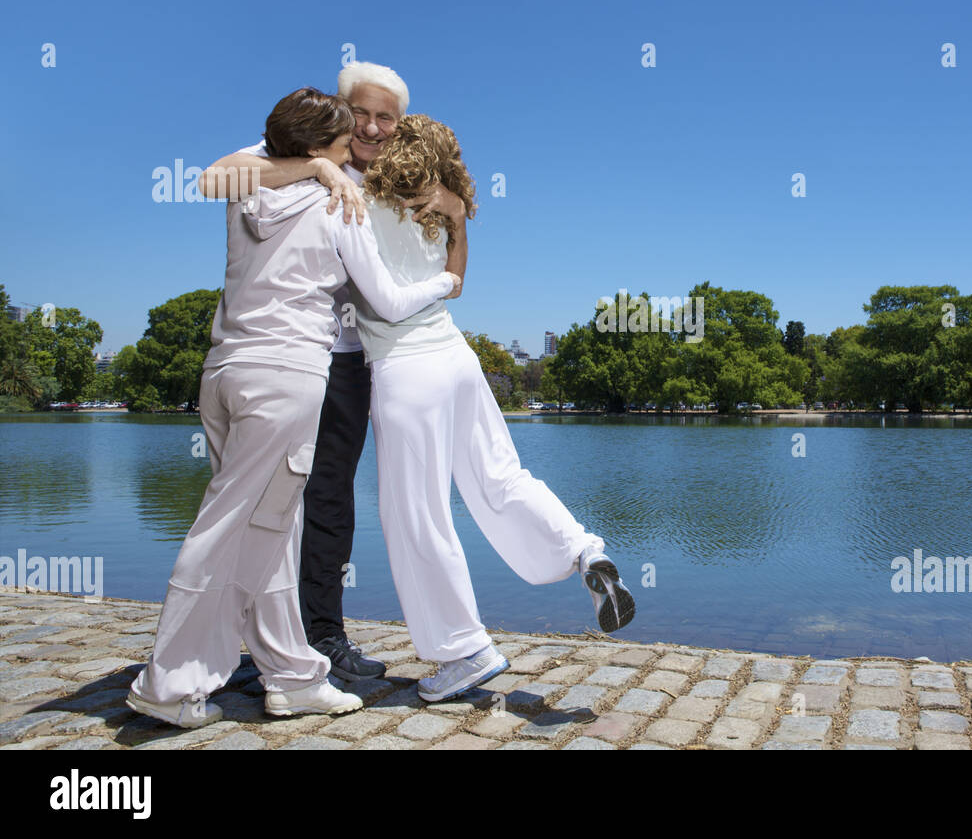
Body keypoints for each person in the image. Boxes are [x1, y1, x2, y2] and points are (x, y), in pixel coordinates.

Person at [128, 89, 461, 727]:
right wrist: (448, 279)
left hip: (225, 372)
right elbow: (388, 301)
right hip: (285, 378)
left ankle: (292, 674)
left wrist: (312, 163)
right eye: (342, 146)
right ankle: (168, 682)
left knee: (270, 532)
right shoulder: (339, 200)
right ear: (316, 150)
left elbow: (217, 173)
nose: (352, 152)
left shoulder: (252, 185)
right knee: (227, 530)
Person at [199, 62, 467, 682]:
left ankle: (321, 634)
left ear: (399, 127)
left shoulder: (403, 181)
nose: (371, 127)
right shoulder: (290, 156)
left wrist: (454, 213)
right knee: (259, 502)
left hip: (348, 362)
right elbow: (215, 179)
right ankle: (256, 637)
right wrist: (318, 167)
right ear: (341, 116)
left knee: (327, 502)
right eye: (361, 114)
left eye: (386, 117)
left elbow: (437, 259)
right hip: (274, 357)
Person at [355, 114, 635, 701]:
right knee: (502, 479)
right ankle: (583, 550)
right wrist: (458, 221)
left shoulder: (358, 197)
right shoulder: (443, 208)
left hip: (406, 368)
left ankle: (464, 652)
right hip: (458, 358)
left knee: (417, 515)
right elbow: (456, 282)